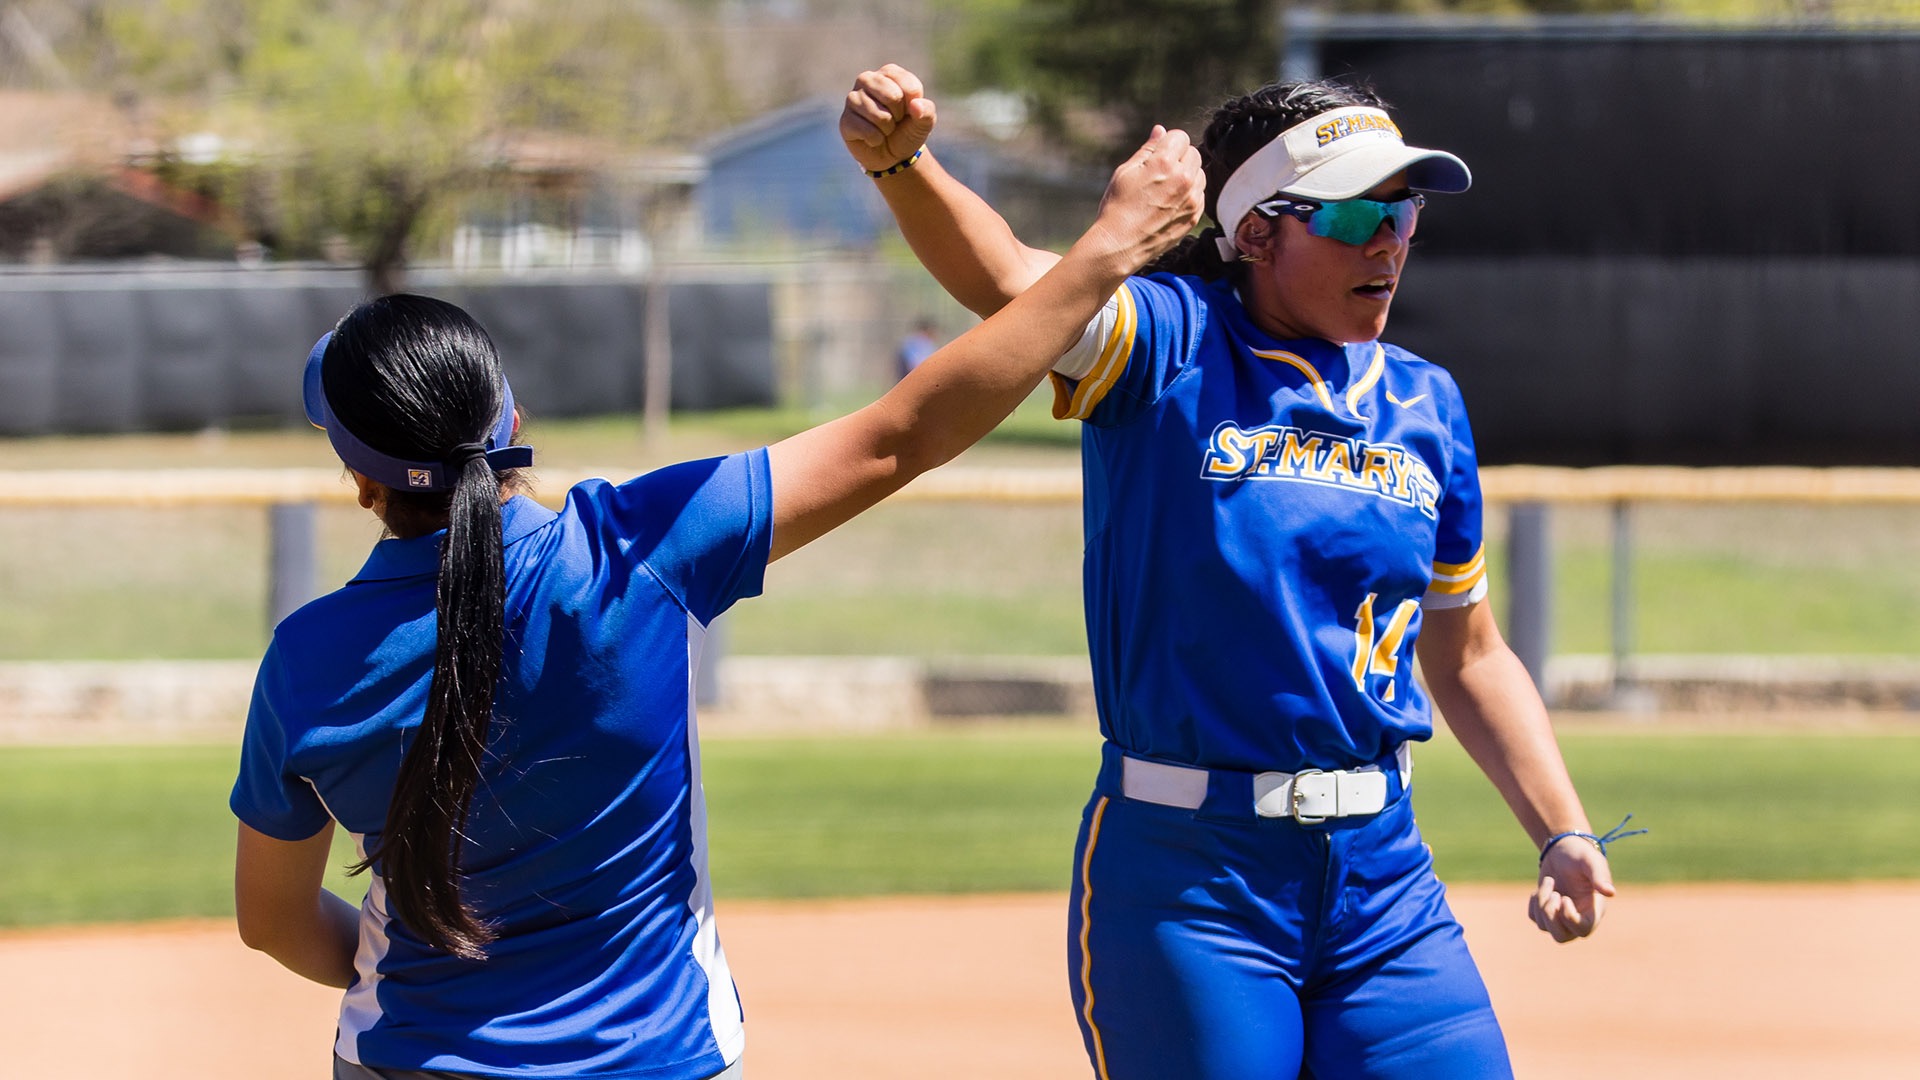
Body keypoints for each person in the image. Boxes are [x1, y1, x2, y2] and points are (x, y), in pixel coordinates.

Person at [229, 130, 1204, 1080]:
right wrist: (1106, 251)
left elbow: (272, 921)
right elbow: (906, 432)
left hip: (410, 1057)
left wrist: (439, 976)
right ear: (513, 422)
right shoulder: (636, 550)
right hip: (656, 1059)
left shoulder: (311, 661)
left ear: (359, 480)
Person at [843, 64, 1637, 1079]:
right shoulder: (1168, 343)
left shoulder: (1425, 405)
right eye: (1357, 216)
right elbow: (1007, 277)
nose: (1390, 240)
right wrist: (902, 164)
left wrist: (1561, 828)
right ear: (1257, 231)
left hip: (1383, 883)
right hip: (1193, 882)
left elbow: (1472, 655)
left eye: (1405, 212)